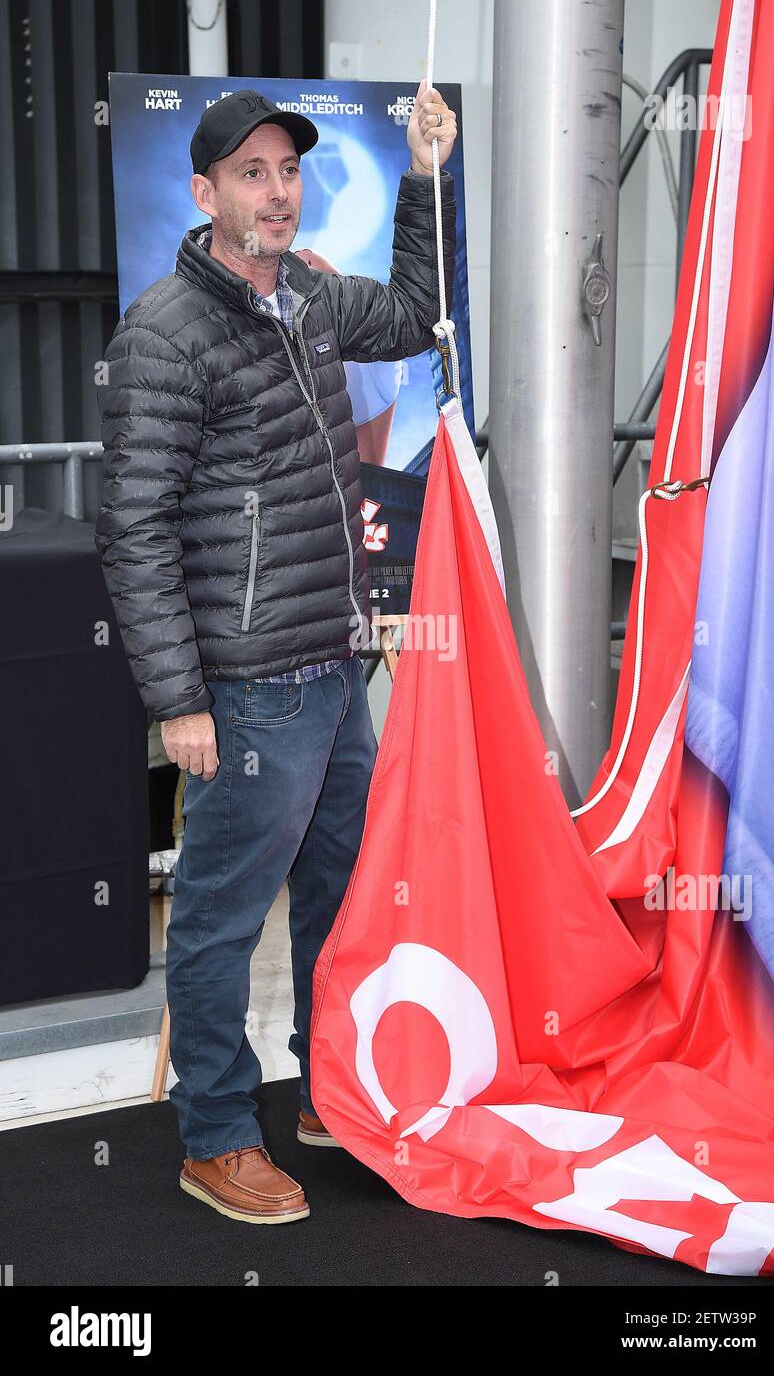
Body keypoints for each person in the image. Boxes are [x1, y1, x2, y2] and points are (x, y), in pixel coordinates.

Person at [96, 85, 457, 1224]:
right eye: (251, 173)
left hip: (333, 665)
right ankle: (214, 1131)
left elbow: (411, 314)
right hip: (246, 690)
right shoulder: (161, 334)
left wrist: (424, 179)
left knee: (340, 895)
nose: (277, 191)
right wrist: (179, 702)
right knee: (215, 916)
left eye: (286, 171)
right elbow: (135, 528)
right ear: (205, 195)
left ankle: (324, 1089)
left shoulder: (304, 295)